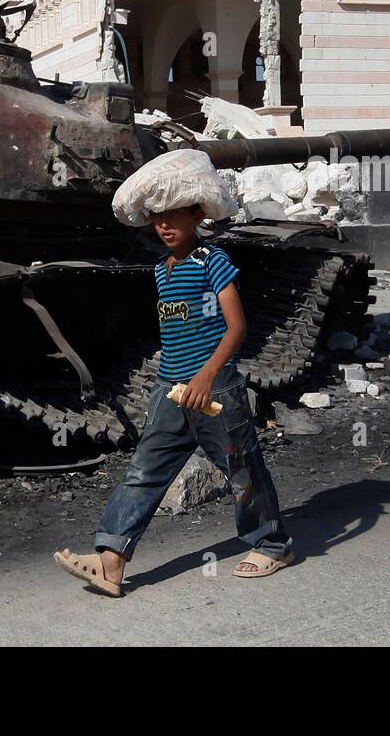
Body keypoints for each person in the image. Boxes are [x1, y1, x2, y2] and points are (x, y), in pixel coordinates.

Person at [54, 204, 293, 596]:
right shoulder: (161, 268)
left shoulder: (211, 260)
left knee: (241, 467)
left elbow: (237, 327)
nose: (164, 225)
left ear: (198, 215)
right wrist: (166, 382)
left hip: (215, 390)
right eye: (157, 217)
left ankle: (272, 545)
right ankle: (111, 562)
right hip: (171, 390)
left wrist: (207, 374)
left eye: (175, 215)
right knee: (143, 471)